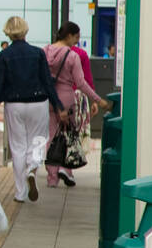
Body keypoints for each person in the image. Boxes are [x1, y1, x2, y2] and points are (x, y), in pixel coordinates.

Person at [0, 17, 63, 203]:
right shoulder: (38, 53)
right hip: (38, 102)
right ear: (25, 31)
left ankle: (20, 193)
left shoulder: (4, 55)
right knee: (39, 140)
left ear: (8, 32)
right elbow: (48, 82)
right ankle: (32, 169)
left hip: (14, 104)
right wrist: (58, 106)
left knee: (18, 147)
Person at [45, 22, 111, 187]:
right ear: (69, 36)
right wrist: (98, 100)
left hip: (49, 99)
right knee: (70, 135)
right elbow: (81, 83)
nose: (77, 41)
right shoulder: (72, 56)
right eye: (76, 37)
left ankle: (52, 177)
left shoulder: (45, 51)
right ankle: (66, 170)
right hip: (67, 98)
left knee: (51, 136)